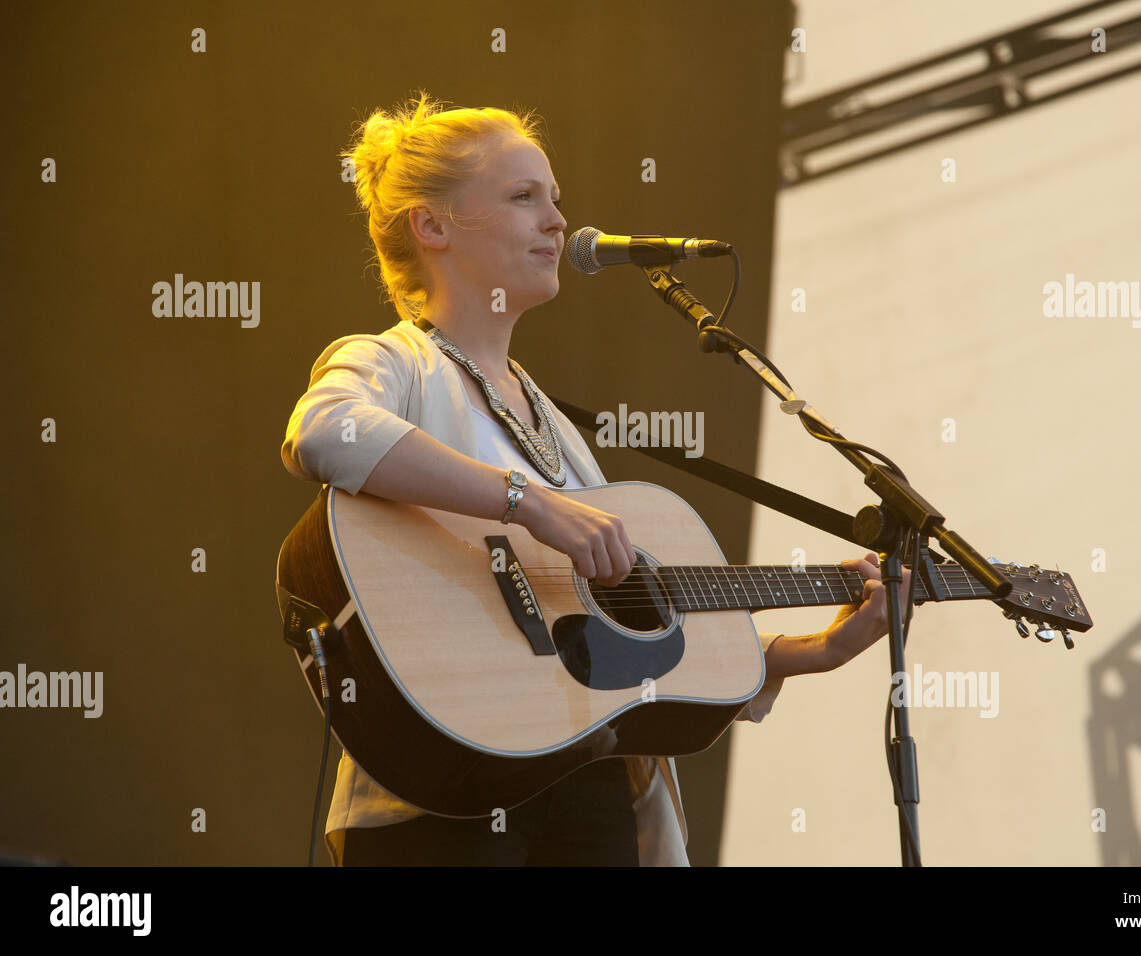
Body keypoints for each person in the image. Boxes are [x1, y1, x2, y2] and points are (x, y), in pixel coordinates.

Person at [281, 93, 909, 866]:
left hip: (585, 788)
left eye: (556, 200)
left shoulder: (558, 427)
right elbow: (322, 431)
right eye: (523, 197)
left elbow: (614, 649)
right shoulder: (396, 362)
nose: (557, 222)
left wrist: (806, 650)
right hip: (440, 793)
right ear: (432, 225)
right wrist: (529, 504)